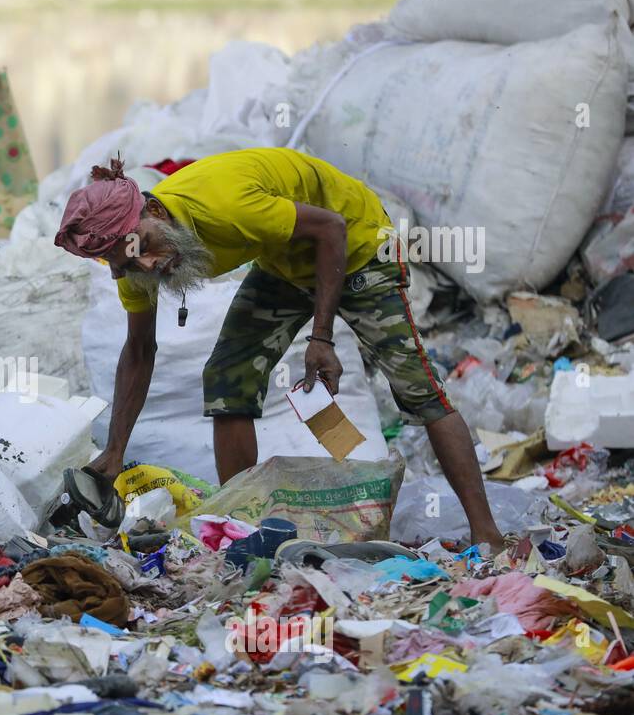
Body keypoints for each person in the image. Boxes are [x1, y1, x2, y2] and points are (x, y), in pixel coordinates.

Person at [53, 148, 503, 547]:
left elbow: (331, 228)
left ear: (155, 210)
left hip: (359, 246)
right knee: (228, 377)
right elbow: (138, 349)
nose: (148, 265)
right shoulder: (137, 267)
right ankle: (240, 533)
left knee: (419, 390)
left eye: (144, 248)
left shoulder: (225, 203)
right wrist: (114, 451)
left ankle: (488, 537)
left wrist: (321, 338)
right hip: (286, 261)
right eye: (128, 264)